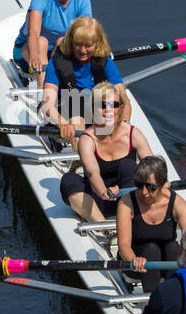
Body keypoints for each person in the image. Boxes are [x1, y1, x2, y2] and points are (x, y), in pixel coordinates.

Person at [58, 82, 152, 224]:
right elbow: (93, 173)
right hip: (98, 201)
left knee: (129, 166)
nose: (108, 110)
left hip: (129, 199)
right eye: (102, 105)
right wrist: (105, 192)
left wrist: (160, 182)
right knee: (68, 180)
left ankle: (135, 221)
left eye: (114, 105)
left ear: (121, 108)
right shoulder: (87, 139)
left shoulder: (133, 133)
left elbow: (151, 165)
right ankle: (105, 228)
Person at [37, 17, 124, 141]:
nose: (83, 51)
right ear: (71, 41)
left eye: (88, 46)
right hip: (67, 109)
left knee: (118, 106)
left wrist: (123, 125)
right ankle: (81, 151)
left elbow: (122, 96)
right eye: (78, 44)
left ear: (97, 43)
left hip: (95, 107)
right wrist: (62, 123)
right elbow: (47, 104)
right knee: (76, 117)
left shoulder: (105, 62)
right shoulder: (57, 62)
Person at [117, 155, 186, 292]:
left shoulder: (177, 203)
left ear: (163, 184)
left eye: (150, 187)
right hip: (136, 265)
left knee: (173, 247)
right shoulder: (126, 202)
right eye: (139, 185)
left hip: (166, 264)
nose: (144, 192)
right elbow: (123, 245)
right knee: (151, 249)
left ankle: (174, 294)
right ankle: (151, 299)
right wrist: (134, 260)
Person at [14, 0, 92, 80]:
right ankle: (44, 88)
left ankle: (58, 81)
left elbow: (86, 35)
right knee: (42, 42)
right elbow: (34, 33)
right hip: (28, 51)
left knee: (64, 41)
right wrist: (34, 56)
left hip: (59, 50)